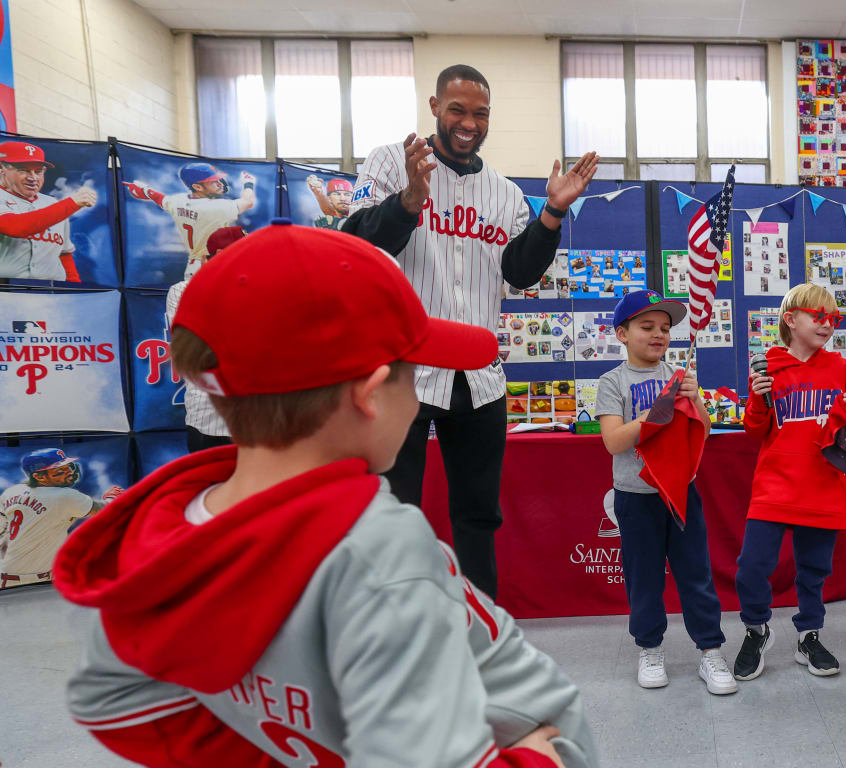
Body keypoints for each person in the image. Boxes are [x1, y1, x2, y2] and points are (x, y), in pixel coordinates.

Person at [52, 223, 594, 768]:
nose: (420, 398)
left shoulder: (163, 533)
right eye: (415, 375)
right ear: (370, 395)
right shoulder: (378, 546)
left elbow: (113, 700)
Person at [342, 63, 600, 598]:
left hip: (478, 379)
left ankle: (480, 625)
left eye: (480, 113)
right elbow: (358, 245)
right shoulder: (392, 163)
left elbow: (520, 272)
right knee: (393, 513)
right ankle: (398, 626)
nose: (468, 122)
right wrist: (407, 202)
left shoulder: (503, 192)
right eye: (457, 109)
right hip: (403, 374)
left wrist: (551, 213)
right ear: (435, 107)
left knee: (479, 515)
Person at [595, 289, 735, 696]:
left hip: (680, 493)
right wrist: (651, 416)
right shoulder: (612, 382)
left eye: (665, 328)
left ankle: (710, 650)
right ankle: (650, 647)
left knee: (696, 574)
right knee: (644, 578)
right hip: (635, 497)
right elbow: (613, 441)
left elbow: (702, 432)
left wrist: (696, 402)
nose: (658, 334)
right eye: (647, 327)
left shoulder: (678, 376)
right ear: (622, 333)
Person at [733, 284, 846, 681]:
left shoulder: (842, 369)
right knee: (751, 567)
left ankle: (809, 634)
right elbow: (755, 431)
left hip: (824, 487)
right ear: (791, 320)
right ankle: (757, 629)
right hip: (774, 487)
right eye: (819, 316)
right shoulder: (767, 368)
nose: (828, 325)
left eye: (834, 318)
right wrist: (757, 400)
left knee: (814, 571)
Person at [165, 225, 245, 453]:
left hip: (256, 419)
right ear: (217, 256)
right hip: (209, 416)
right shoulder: (183, 290)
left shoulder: (261, 289)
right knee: (211, 487)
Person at [0, 448, 121, 589]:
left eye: (67, 466)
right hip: (35, 582)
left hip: (5, 576)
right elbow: (104, 510)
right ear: (40, 477)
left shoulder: (12, 491)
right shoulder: (64, 496)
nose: (69, 472)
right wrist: (112, 498)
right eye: (59, 470)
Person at [123, 162, 257, 280]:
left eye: (218, 179)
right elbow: (248, 201)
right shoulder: (217, 207)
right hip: (211, 267)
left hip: (193, 268)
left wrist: (145, 191)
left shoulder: (178, 200)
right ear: (197, 187)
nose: (219, 184)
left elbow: (160, 198)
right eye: (213, 182)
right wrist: (248, 183)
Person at [0, 141, 97, 282]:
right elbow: (15, 226)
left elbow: (64, 254)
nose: (33, 178)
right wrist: (71, 204)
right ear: (2, 168)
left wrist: (74, 289)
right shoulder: (62, 207)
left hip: (50, 292)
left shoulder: (52, 204)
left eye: (38, 171)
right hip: (6, 291)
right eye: (24, 170)